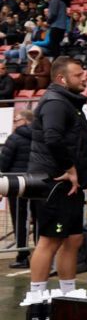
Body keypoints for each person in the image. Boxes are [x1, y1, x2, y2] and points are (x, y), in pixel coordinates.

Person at [24, 57, 87, 304]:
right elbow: (53, 138)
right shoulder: (55, 103)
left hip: (68, 184)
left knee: (74, 239)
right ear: (61, 79)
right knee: (50, 240)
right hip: (55, 182)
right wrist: (70, 168)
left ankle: (68, 295)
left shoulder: (68, 102)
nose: (84, 77)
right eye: (78, 74)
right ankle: (36, 299)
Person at [0, 109, 34, 267]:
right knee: (37, 221)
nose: (14, 123)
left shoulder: (14, 138)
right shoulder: (39, 137)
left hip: (17, 184)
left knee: (19, 221)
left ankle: (22, 255)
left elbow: (4, 162)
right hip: (36, 184)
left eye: (17, 120)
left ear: (26, 121)